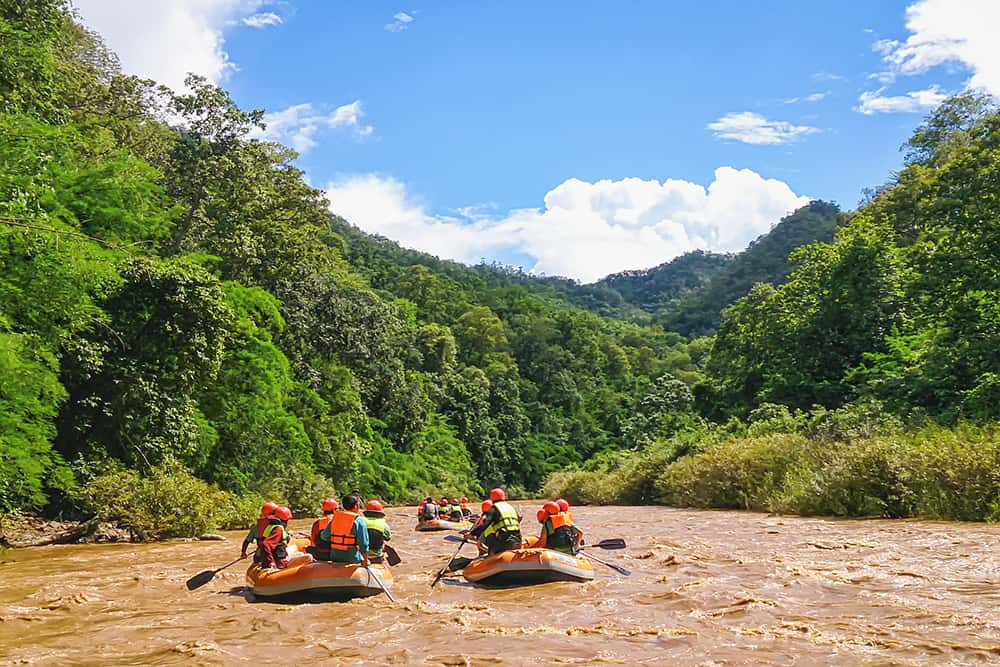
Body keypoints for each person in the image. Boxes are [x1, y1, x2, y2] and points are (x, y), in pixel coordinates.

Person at [465, 487, 522, 555]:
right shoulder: (510, 507)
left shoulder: (494, 509)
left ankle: (491, 558)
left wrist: (471, 534)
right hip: (518, 540)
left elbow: (485, 524)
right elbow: (518, 519)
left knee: (491, 546)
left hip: (505, 541)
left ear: (492, 498)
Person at [318, 493, 370, 565]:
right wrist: (366, 561)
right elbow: (363, 544)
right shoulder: (359, 520)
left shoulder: (335, 518)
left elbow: (324, 536)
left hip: (335, 557)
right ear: (356, 506)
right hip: (352, 558)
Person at [362, 499, 392, 564]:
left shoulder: (360, 521)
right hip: (377, 557)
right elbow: (388, 538)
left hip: (361, 556)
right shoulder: (384, 524)